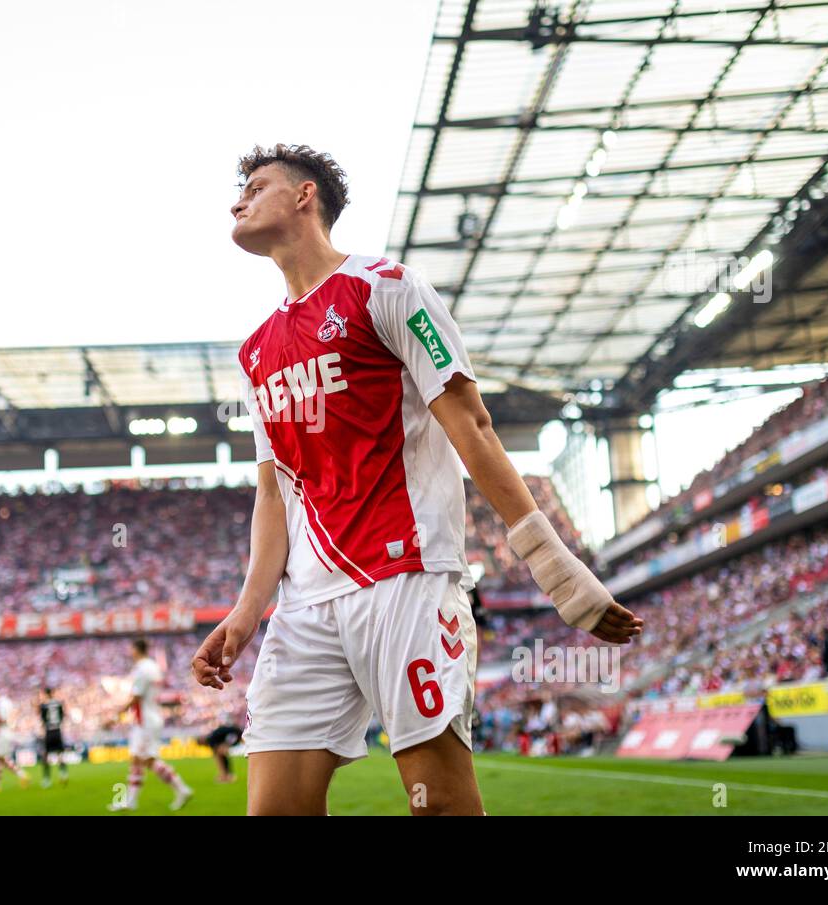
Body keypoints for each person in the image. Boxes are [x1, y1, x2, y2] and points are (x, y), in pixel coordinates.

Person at [191, 144, 641, 816]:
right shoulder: (256, 352)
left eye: (255, 186)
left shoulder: (389, 288)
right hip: (308, 606)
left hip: (404, 578)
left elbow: (473, 425)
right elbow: (274, 491)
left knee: (439, 804)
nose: (237, 201)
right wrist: (247, 610)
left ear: (305, 195)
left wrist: (557, 570)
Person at [109, 639, 192, 812]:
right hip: (150, 717)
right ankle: (130, 800)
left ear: (136, 649)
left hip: (145, 721)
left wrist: (116, 717)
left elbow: (136, 697)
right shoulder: (153, 666)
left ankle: (182, 789)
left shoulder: (142, 669)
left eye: (131, 649)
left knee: (146, 759)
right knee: (138, 760)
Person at [38, 686, 69, 788]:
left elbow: (42, 719)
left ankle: (46, 779)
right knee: (60, 753)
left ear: (45, 694)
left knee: (46, 755)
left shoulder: (44, 705)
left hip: (49, 731)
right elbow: (62, 716)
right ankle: (63, 773)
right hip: (57, 730)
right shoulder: (58, 703)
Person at [204, 716, 244, 783]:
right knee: (222, 755)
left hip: (235, 733)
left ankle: (226, 775)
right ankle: (226, 775)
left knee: (220, 756)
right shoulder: (212, 737)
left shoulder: (211, 741)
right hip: (235, 732)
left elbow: (217, 755)